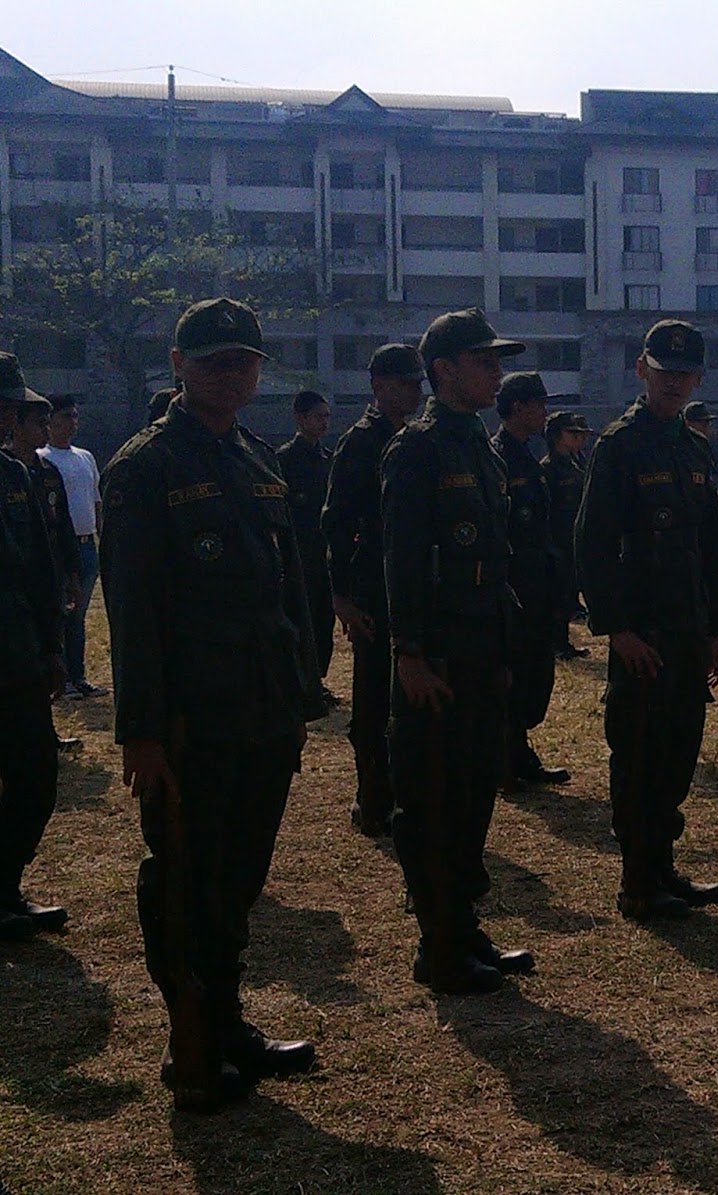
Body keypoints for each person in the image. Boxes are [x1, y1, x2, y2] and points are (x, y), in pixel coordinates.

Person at [100, 299, 318, 1111]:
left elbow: (288, 592)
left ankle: (226, 1021)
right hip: (193, 718)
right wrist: (142, 731)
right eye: (214, 361)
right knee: (189, 877)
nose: (231, 374)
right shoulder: (146, 467)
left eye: (243, 362)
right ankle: (188, 1040)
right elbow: (134, 612)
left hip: (261, 707)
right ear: (178, 366)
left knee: (240, 875)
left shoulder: (257, 458)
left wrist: (300, 694)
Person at [381, 309, 532, 994]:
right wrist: (409, 652)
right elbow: (404, 559)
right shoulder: (418, 448)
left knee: (472, 791)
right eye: (484, 361)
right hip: (438, 653)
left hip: (481, 646)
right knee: (434, 797)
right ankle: (437, 945)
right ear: (444, 370)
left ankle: (463, 926)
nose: (496, 373)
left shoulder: (479, 444)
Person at [575, 320, 718, 920]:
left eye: (685, 374)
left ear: (698, 379)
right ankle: (638, 881)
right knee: (639, 756)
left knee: (679, 753)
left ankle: (663, 867)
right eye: (664, 372)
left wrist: (715, 630)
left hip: (688, 630)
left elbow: (709, 548)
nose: (674, 383)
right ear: (642, 370)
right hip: (643, 633)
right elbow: (592, 545)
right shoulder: (619, 446)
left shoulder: (694, 448)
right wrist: (617, 630)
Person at [323, 344, 425, 838]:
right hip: (370, 588)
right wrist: (341, 597)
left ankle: (405, 792)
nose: (415, 392)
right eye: (405, 383)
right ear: (378, 385)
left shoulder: (416, 440)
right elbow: (336, 523)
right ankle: (373, 798)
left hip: (409, 585)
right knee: (372, 701)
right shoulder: (360, 443)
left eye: (417, 383)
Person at [0, 355, 68, 943]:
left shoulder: (16, 477)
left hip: (16, 654)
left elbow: (41, 571)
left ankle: (4, 885)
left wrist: (52, 648)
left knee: (36, 775)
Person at [491, 371, 570, 788]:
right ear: (518, 407)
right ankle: (504, 760)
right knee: (512, 676)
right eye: (539, 404)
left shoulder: (527, 458)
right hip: (513, 587)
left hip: (538, 584)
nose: (545, 413)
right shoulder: (497, 458)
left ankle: (518, 752)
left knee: (535, 673)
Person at [9, 396, 81, 753]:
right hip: (16, 586)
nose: (45, 429)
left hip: (47, 575)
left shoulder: (46, 472)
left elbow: (62, 525)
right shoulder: (8, 471)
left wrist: (72, 571)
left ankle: (44, 730)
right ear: (17, 425)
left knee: (48, 653)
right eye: (39, 423)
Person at [37, 395, 104, 698]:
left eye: (75, 416)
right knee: (60, 614)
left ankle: (78, 676)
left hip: (87, 545)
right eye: (65, 417)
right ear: (50, 422)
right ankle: (60, 677)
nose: (72, 423)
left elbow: (96, 502)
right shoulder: (42, 459)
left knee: (79, 615)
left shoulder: (85, 457)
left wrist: (102, 537)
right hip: (60, 548)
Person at [278, 390, 336, 711]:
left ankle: (317, 680)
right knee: (301, 619)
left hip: (324, 554)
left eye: (327, 417)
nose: (324, 423)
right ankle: (300, 682)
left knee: (323, 619)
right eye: (318, 417)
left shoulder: (328, 460)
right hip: (297, 555)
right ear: (300, 419)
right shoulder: (284, 460)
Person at [544, 410, 591, 660]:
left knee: (569, 590)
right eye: (571, 433)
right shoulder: (548, 468)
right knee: (558, 594)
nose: (577, 438)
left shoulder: (573, 464)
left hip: (572, 539)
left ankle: (563, 643)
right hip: (558, 540)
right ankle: (558, 644)